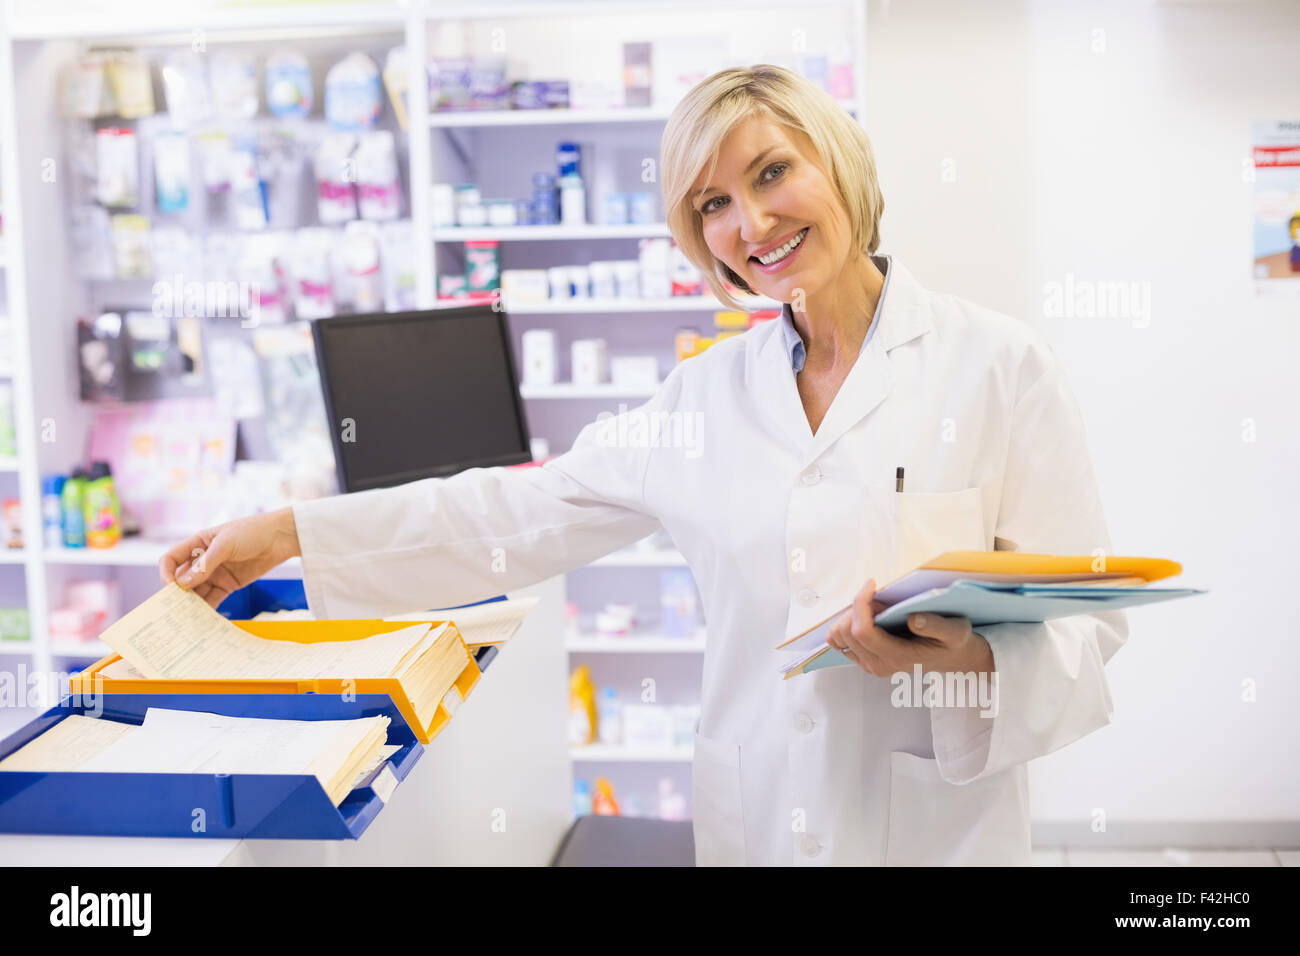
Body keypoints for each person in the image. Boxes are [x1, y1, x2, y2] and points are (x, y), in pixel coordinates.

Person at [161, 64, 1127, 866]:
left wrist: (972, 658)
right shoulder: (704, 399)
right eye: (712, 203)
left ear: (838, 162)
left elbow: (1092, 619)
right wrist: (291, 533)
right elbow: (517, 515)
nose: (750, 224)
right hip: (760, 825)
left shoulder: (997, 366)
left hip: (934, 834)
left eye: (771, 172)